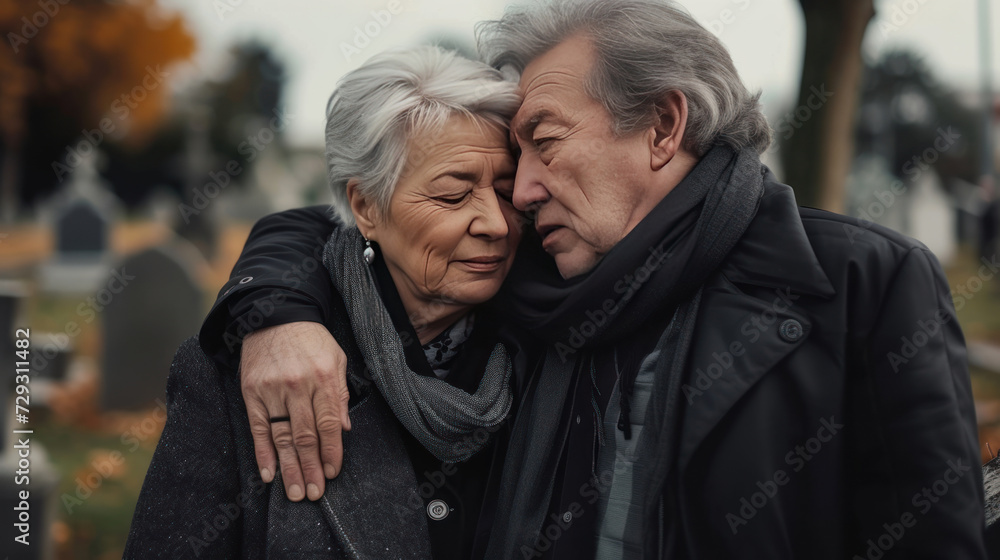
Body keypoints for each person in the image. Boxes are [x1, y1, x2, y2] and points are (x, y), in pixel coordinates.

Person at [205, 0, 986, 558]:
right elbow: (351, 228)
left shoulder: (860, 285)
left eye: (544, 143)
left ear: (661, 126)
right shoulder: (536, 276)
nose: (520, 191)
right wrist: (277, 314)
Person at [124, 45, 529, 559]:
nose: (495, 224)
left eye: (508, 191)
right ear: (365, 206)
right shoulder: (242, 375)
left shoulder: (548, 347)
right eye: (452, 195)